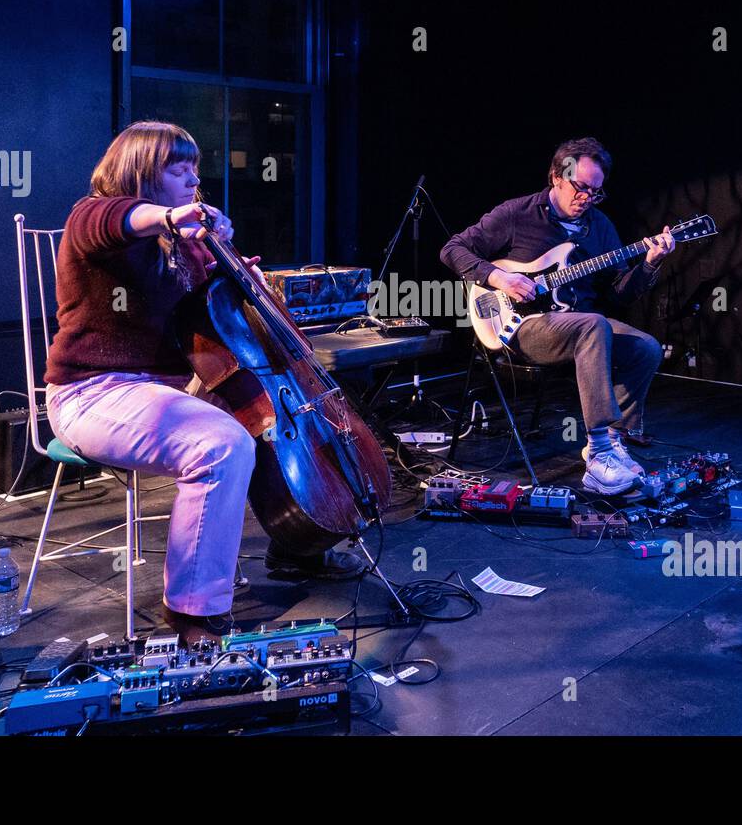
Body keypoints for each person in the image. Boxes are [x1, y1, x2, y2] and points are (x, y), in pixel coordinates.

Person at [43, 121, 363, 639]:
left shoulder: (184, 244)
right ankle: (192, 613)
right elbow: (121, 218)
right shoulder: (92, 217)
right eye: (179, 168)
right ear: (141, 171)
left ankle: (297, 544)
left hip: (167, 388)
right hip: (93, 393)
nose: (194, 179)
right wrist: (169, 216)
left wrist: (238, 272)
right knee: (219, 444)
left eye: (195, 167)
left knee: (268, 419)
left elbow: (217, 317)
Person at [440, 136, 675, 495]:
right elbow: (452, 248)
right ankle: (597, 456)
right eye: (580, 188)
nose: (587, 198)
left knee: (646, 348)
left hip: (579, 324)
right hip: (522, 325)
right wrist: (499, 277)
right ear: (556, 176)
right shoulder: (517, 214)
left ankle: (613, 441)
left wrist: (649, 264)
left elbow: (619, 293)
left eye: (596, 192)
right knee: (593, 326)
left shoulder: (601, 227)